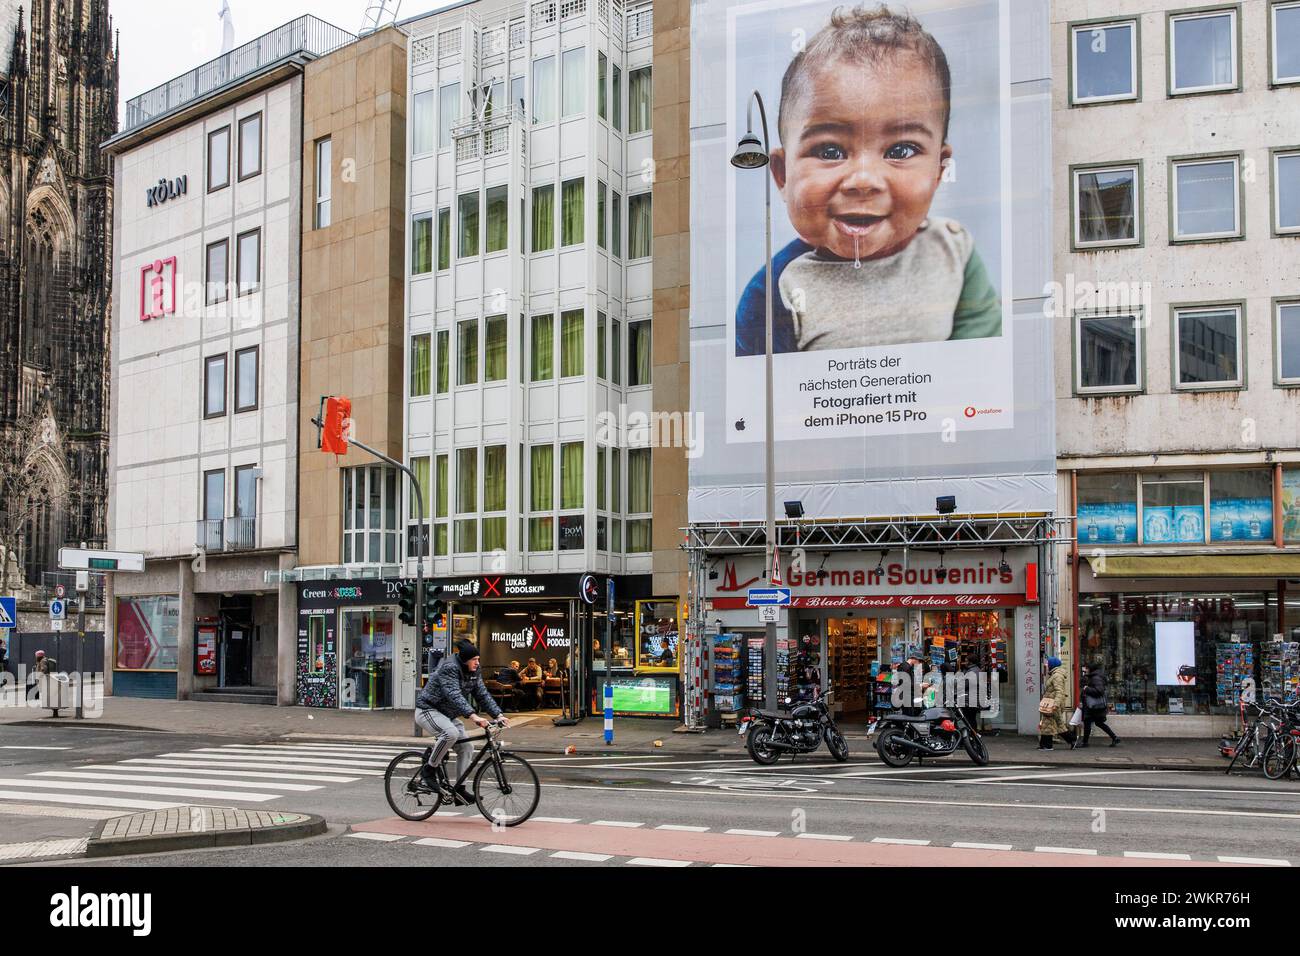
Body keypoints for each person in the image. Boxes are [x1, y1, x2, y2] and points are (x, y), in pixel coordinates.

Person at [734, 4, 1001, 357]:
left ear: (939, 169)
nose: (863, 180)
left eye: (902, 150)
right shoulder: (773, 291)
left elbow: (983, 361)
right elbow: (762, 401)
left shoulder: (954, 249)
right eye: (829, 151)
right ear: (783, 175)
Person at [414, 640, 508, 804]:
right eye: (474, 660)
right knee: (450, 733)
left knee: (466, 746)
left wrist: (498, 714)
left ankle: (460, 790)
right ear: (465, 659)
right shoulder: (450, 667)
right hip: (428, 710)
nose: (478, 663)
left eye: (478, 659)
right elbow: (454, 694)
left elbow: (482, 694)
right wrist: (473, 716)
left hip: (446, 715)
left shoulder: (474, 670)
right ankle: (428, 771)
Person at [1037, 656, 1077, 751]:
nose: (1047, 665)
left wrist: (1055, 704)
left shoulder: (1057, 676)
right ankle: (1045, 744)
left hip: (1053, 704)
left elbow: (1059, 691)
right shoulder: (1055, 674)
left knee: (1056, 723)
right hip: (1051, 703)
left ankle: (1070, 740)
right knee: (1048, 723)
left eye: (1048, 664)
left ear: (1052, 665)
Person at [1078, 662, 1121, 748]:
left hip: (1093, 706)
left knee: (1090, 722)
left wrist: (1087, 688)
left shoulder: (1096, 678)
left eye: (1086, 668)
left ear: (1090, 669)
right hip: (1092, 706)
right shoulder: (1093, 677)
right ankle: (1114, 737)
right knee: (1097, 723)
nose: (1084, 670)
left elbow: (1099, 691)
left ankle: (1085, 742)